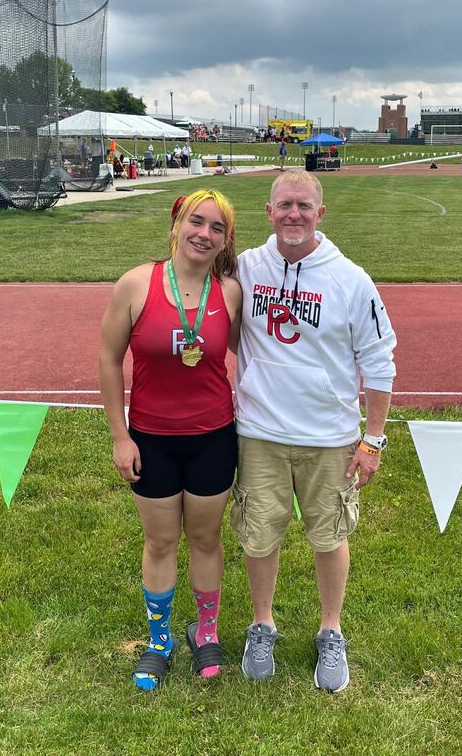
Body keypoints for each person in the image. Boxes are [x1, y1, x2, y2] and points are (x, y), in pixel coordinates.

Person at [231, 168, 396, 694]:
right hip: (259, 430)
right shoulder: (246, 269)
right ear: (269, 211)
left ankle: (331, 629)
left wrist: (372, 438)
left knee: (329, 535)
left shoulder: (351, 279)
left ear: (320, 214)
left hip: (329, 436)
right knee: (259, 534)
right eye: (285, 205)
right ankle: (263, 624)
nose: (294, 214)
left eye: (304, 206)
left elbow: (380, 362)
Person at [98, 190, 242, 691]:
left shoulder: (231, 292)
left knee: (205, 538)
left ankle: (205, 632)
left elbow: (248, 355)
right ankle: (160, 641)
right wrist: (121, 436)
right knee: (160, 541)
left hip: (213, 436)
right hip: (152, 439)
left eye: (216, 228)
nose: (204, 234)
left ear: (226, 240)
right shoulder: (136, 284)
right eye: (196, 222)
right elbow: (108, 359)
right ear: (177, 223)